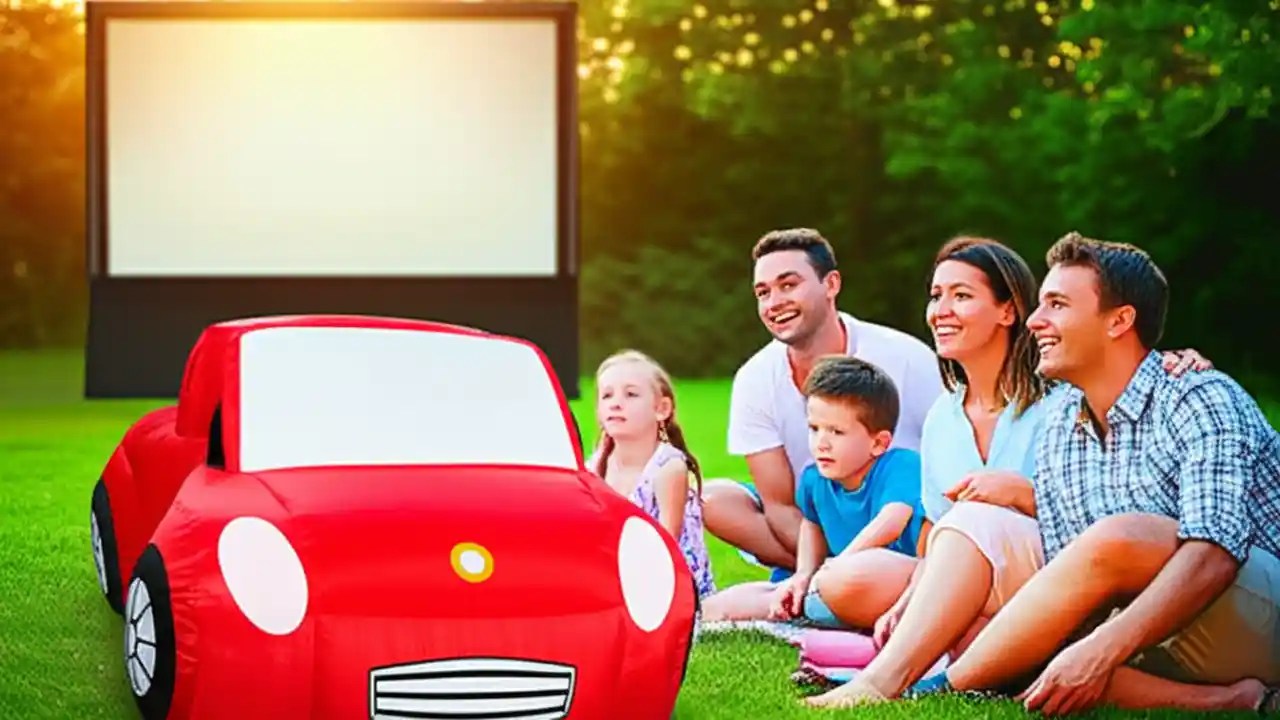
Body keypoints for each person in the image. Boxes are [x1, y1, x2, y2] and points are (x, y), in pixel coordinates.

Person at [805, 234, 1228, 712]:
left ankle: (938, 675)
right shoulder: (1013, 416)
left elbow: (1198, 550)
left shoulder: (1122, 395)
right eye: (936, 295)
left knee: (1093, 547)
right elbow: (1035, 546)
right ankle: (906, 670)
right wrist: (924, 598)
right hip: (1081, 588)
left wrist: (1020, 496)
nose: (1036, 321)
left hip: (1196, 597)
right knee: (945, 550)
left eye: (960, 295)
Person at [900, 232, 1280, 715]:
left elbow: (1215, 553)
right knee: (1021, 640)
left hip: (1256, 610)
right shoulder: (1063, 426)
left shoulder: (1197, 395)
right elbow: (1074, 576)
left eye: (1056, 304)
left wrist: (1102, 647)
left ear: (1120, 320)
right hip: (1167, 629)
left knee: (1119, 537)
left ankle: (941, 691)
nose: (1035, 321)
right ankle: (1232, 701)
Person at [702, 228, 945, 583]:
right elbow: (780, 504)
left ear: (831, 284)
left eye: (788, 285)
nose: (773, 303)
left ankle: (866, 575)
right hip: (818, 511)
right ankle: (823, 577)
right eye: (763, 292)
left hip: (895, 511)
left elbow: (949, 463)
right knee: (710, 499)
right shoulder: (755, 378)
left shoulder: (906, 357)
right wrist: (823, 564)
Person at [700, 355, 929, 627]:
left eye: (836, 432)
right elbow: (812, 524)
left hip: (905, 579)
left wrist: (837, 566)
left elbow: (891, 521)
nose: (822, 443)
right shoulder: (815, 478)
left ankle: (825, 607)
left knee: (848, 581)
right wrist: (804, 574)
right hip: (836, 579)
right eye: (814, 428)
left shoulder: (902, 465)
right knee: (717, 609)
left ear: (878, 443)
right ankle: (810, 604)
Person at [588, 349, 716, 599]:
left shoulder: (668, 467)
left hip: (667, 585)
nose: (616, 402)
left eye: (631, 394)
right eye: (607, 395)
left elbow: (667, 546)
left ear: (662, 409)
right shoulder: (595, 467)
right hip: (617, 577)